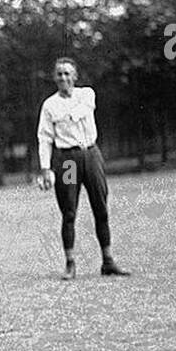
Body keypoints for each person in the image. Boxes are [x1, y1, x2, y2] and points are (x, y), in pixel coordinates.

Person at [36, 56, 129, 281]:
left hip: (90, 154)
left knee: (101, 207)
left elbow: (84, 110)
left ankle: (107, 261)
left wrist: (66, 117)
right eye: (59, 74)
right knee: (69, 211)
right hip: (67, 159)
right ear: (54, 77)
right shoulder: (49, 105)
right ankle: (70, 263)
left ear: (75, 76)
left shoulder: (86, 94)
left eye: (67, 73)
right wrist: (45, 168)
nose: (63, 78)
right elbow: (45, 138)